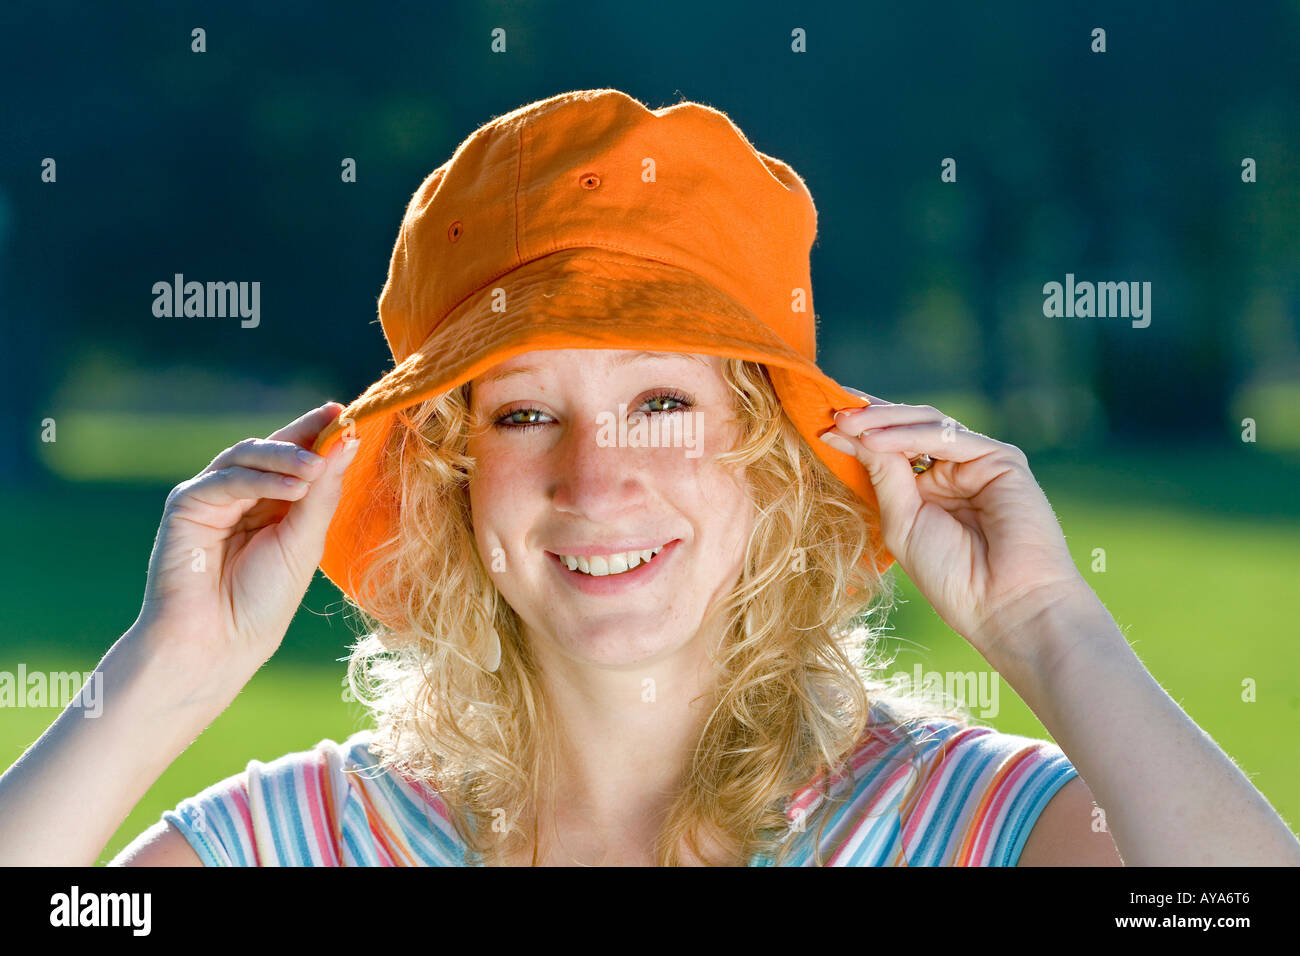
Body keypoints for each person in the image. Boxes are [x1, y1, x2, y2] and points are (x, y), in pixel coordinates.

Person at [2, 90, 1297, 867]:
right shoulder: (321, 840)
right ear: (453, 479)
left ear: (769, 458)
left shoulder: (967, 825)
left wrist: (1051, 631)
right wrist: (161, 680)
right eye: (522, 415)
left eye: (664, 402)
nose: (595, 475)